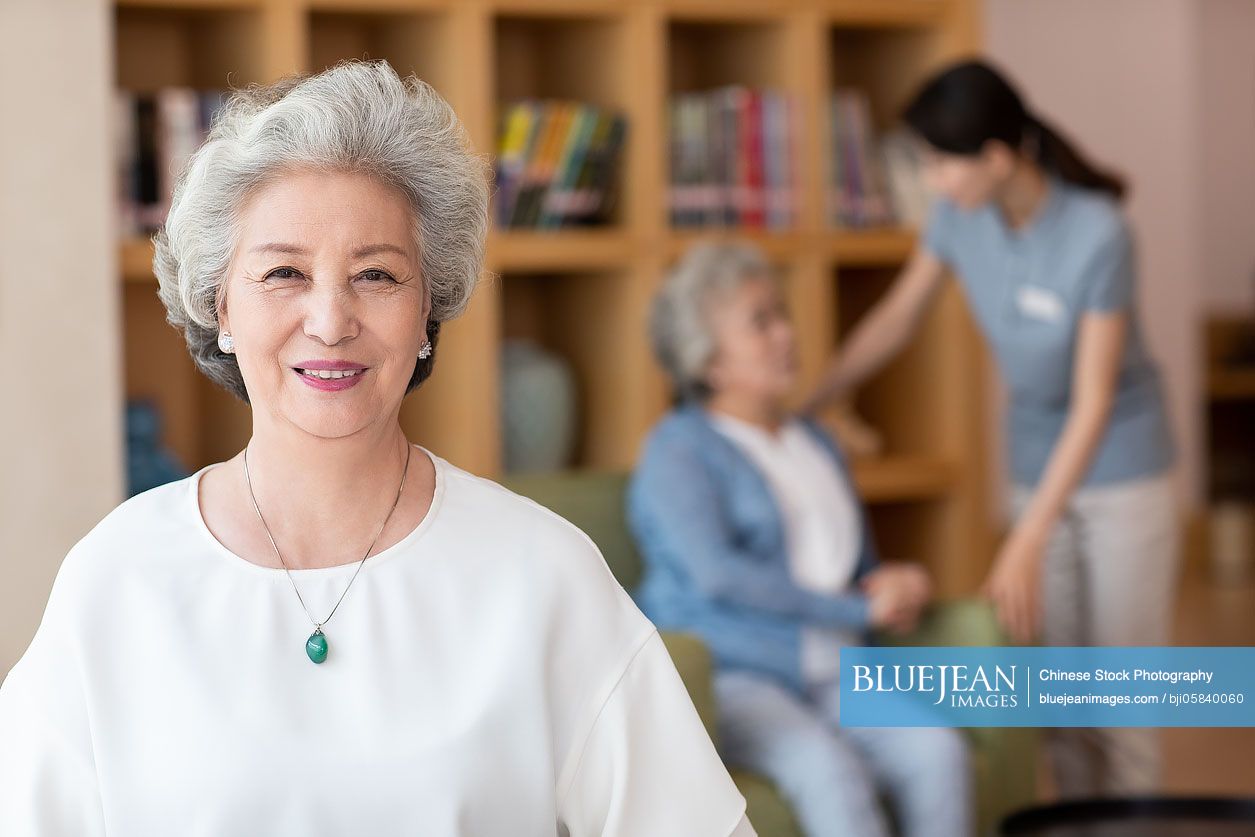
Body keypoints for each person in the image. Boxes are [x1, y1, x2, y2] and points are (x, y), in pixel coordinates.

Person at [0, 61, 756, 837]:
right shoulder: (118, 575)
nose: (330, 319)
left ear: (429, 307)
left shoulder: (540, 570)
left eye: (376, 274)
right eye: (283, 272)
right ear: (219, 304)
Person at [801, 59, 1180, 798]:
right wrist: (812, 400)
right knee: (1063, 705)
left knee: (1122, 706)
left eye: (941, 163)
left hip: (1121, 472)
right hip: (1034, 463)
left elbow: (1093, 399)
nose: (932, 180)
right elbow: (896, 319)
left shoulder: (1098, 235)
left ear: (997, 158)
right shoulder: (957, 216)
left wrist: (1027, 535)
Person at [627, 240, 973, 837]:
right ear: (709, 360)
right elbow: (719, 574)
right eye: (760, 322)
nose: (786, 333)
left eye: (781, 313)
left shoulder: (817, 442)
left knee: (936, 752)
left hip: (837, 665)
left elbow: (853, 564)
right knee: (828, 773)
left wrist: (890, 583)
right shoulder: (678, 449)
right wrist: (855, 607)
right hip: (737, 673)